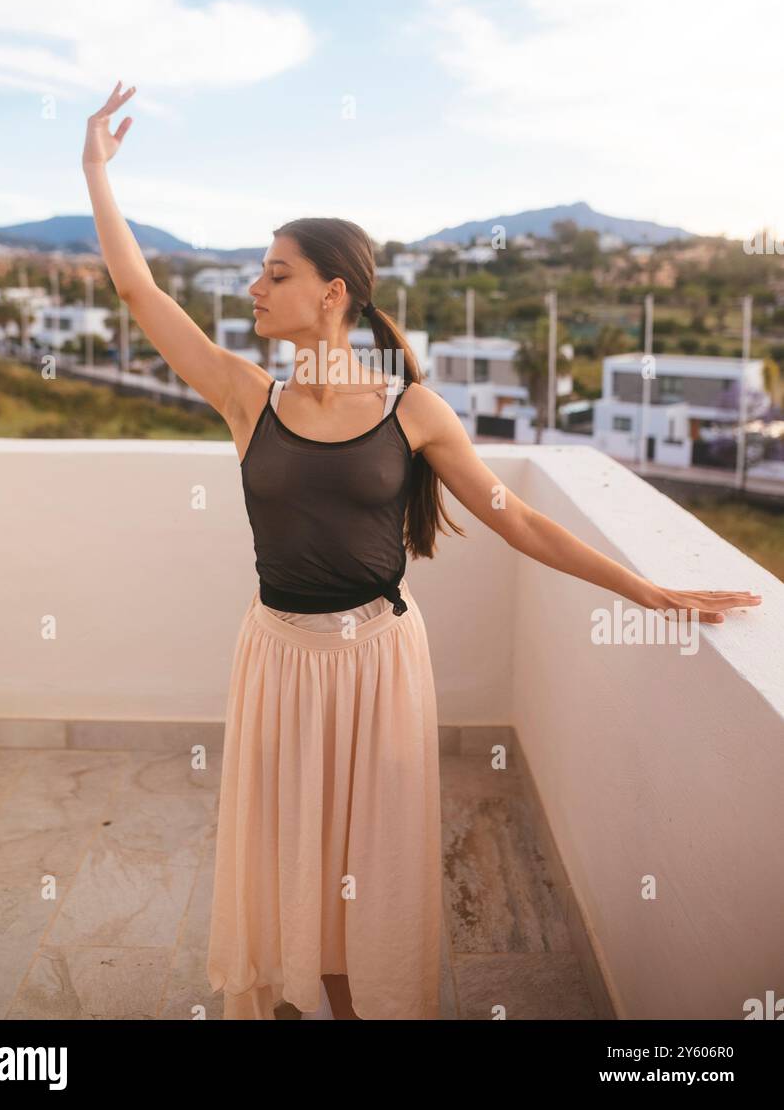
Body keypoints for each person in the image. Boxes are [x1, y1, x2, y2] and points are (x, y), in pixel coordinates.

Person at [82, 82, 762, 1021]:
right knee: (288, 852)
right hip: (277, 657)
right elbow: (136, 289)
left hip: (379, 665)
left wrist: (646, 590)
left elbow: (516, 520)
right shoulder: (247, 397)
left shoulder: (412, 410)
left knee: (372, 863)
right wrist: (95, 173)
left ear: (332, 293)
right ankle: (291, 1000)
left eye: (273, 273)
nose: (254, 287)